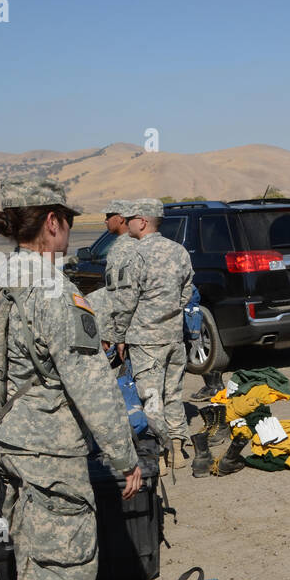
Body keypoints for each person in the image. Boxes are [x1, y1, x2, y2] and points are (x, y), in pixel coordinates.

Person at [0, 178, 142, 580]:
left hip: (7, 437)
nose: (71, 230)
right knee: (69, 552)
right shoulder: (52, 291)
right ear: (52, 221)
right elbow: (91, 385)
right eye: (68, 221)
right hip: (47, 443)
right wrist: (124, 458)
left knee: (32, 537)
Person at [111, 199, 194, 465]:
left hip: (146, 340)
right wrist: (168, 314)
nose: (128, 223)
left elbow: (126, 301)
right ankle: (179, 445)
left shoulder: (135, 255)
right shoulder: (179, 251)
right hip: (173, 336)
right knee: (173, 393)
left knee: (151, 399)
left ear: (142, 222)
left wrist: (119, 335)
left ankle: (165, 450)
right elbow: (186, 292)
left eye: (131, 218)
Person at [85, 199, 133, 347]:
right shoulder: (138, 242)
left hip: (123, 328)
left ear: (120, 218)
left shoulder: (120, 249)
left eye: (108, 216)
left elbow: (116, 296)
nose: (105, 221)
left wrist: (107, 334)